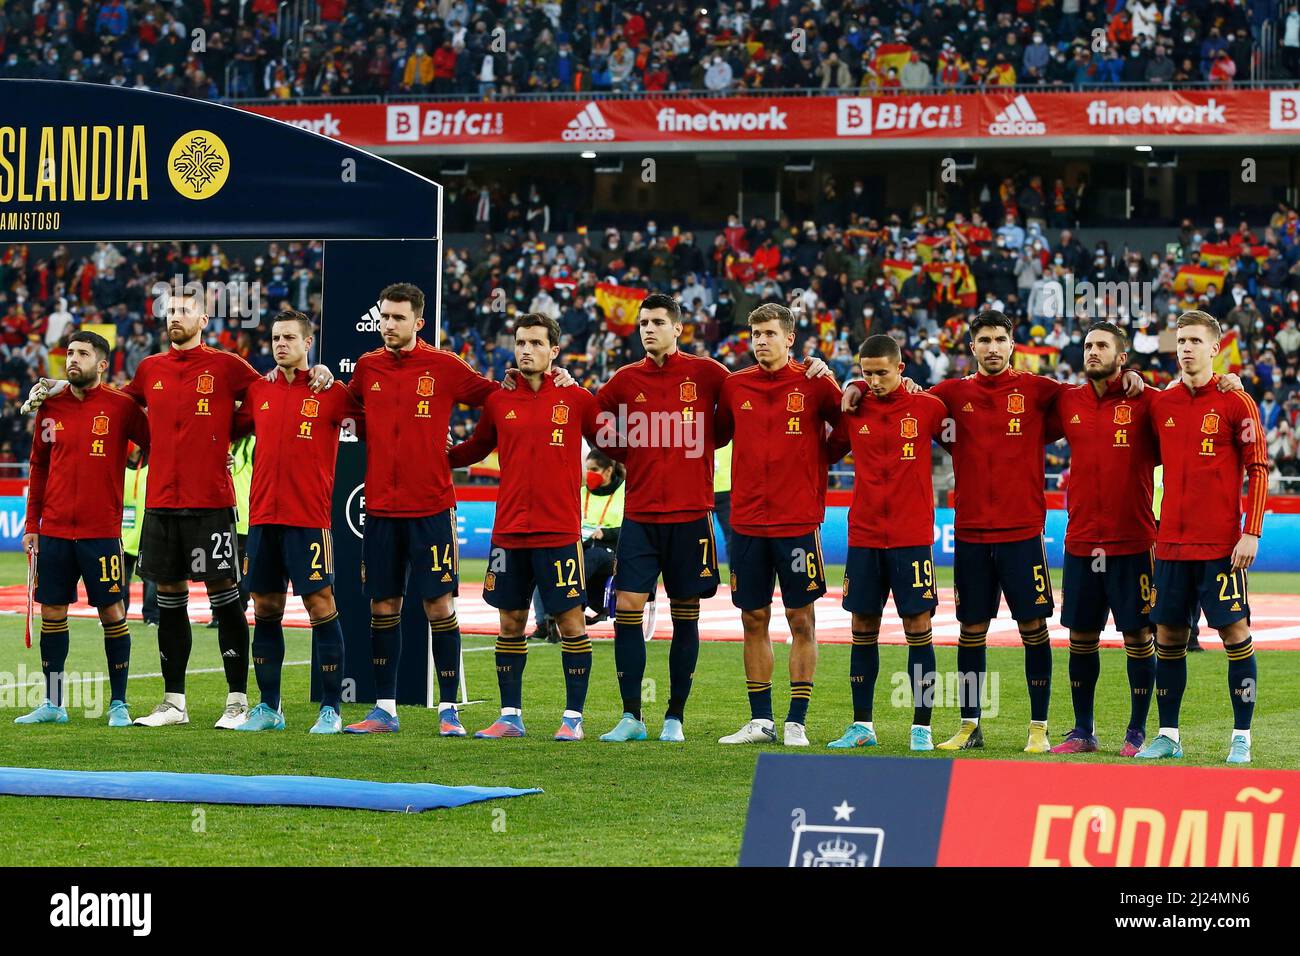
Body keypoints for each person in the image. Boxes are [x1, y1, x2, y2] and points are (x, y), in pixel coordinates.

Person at [17, 291, 336, 728]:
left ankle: (238, 700)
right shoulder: (151, 369)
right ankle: (174, 702)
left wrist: (314, 372)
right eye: (170, 311)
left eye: (185, 310)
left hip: (211, 502)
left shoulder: (227, 366)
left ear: (204, 318)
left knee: (226, 600)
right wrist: (57, 385)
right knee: (169, 599)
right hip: (162, 504)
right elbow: (108, 401)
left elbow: (268, 396)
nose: (175, 318)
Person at [844, 310, 1143, 752]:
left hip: (1023, 532)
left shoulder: (1042, 392)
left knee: (1034, 628)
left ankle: (1038, 727)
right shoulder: (947, 395)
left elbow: (1092, 397)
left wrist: (1128, 380)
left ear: (1012, 343)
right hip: (969, 533)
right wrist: (853, 384)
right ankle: (970, 724)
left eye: (999, 338)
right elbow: (898, 398)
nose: (992, 347)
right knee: (971, 630)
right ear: (972, 347)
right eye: (983, 339)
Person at [593, 294, 832, 743]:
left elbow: (839, 423)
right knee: (634, 610)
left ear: (677, 328)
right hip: (654, 517)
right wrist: (630, 452)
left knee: (711, 614)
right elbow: (593, 413)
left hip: (708, 516)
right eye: (643, 322)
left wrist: (821, 373)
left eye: (657, 322)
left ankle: (679, 718)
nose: (647, 329)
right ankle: (633, 716)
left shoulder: (712, 375)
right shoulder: (632, 379)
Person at [1049, 322, 1244, 755]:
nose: (1092, 352)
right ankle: (1082, 730)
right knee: (1081, 636)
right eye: (1087, 346)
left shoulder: (1148, 401)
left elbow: (1193, 406)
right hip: (1081, 540)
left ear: (1123, 358)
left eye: (1102, 346)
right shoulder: (1066, 400)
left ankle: (1137, 731)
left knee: (1139, 637)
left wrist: (1231, 383)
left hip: (1135, 540)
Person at [449, 314, 603, 740]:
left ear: (555, 350)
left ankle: (573, 719)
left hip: (559, 533)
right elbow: (476, 448)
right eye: (520, 342)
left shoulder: (578, 400)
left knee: (571, 622)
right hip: (510, 532)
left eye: (536, 343)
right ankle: (510, 716)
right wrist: (433, 453)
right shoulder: (500, 401)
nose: (525, 350)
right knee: (511, 621)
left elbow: (613, 445)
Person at [1140, 311, 1269, 764]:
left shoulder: (1238, 401)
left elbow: (1258, 469)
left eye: (1196, 340)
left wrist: (1250, 531)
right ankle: (1169, 735)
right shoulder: (1161, 403)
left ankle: (1242, 737)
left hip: (1222, 548)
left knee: (1235, 633)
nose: (1187, 348)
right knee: (1169, 636)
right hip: (1171, 546)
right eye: (1181, 340)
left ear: (1215, 348)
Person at [713, 304, 842, 747]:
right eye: (755, 332)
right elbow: (716, 434)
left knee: (800, 618)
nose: (760, 340)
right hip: (746, 520)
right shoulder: (735, 385)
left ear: (790, 338)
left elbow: (847, 429)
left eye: (769, 333)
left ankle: (796, 721)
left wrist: (814, 466)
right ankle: (761, 721)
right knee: (753, 617)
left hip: (797, 521)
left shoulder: (815, 381)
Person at [229, 311, 362, 734]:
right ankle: (270, 708)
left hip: (309, 519)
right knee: (265, 609)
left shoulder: (331, 392)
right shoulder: (258, 391)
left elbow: (376, 421)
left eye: (289, 337)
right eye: (275, 337)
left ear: (309, 343)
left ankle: (331, 708)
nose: (280, 343)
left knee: (320, 606)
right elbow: (222, 427)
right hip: (264, 518)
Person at [18, 331, 150, 726]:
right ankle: (53, 703)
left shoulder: (121, 407)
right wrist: (32, 523)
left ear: (103, 364)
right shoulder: (50, 408)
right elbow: (39, 467)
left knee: (112, 611)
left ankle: (119, 703)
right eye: (70, 353)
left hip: (102, 533)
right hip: (55, 531)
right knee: (52, 611)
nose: (72, 359)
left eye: (82, 354)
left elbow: (159, 443)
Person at [825, 335, 946, 751]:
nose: (873, 380)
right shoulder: (852, 408)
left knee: (919, 628)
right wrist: (847, 387)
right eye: (866, 372)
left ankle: (922, 728)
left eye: (881, 372)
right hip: (864, 535)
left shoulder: (928, 407)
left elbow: (967, 437)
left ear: (901, 368)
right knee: (862, 628)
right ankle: (862, 725)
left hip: (912, 538)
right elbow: (824, 453)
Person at [579, 449, 625, 626]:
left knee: (593, 556)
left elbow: (632, 528)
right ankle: (545, 621)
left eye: (595, 469)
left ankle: (573, 602)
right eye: (587, 469)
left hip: (612, 550)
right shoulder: (582, 492)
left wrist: (605, 533)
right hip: (582, 544)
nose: (589, 474)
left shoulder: (624, 491)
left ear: (608, 471)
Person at [121, 443, 158, 627]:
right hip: (123, 534)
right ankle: (120, 613)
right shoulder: (117, 465)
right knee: (120, 578)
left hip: (147, 533)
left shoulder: (152, 463)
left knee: (151, 579)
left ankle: (151, 615)